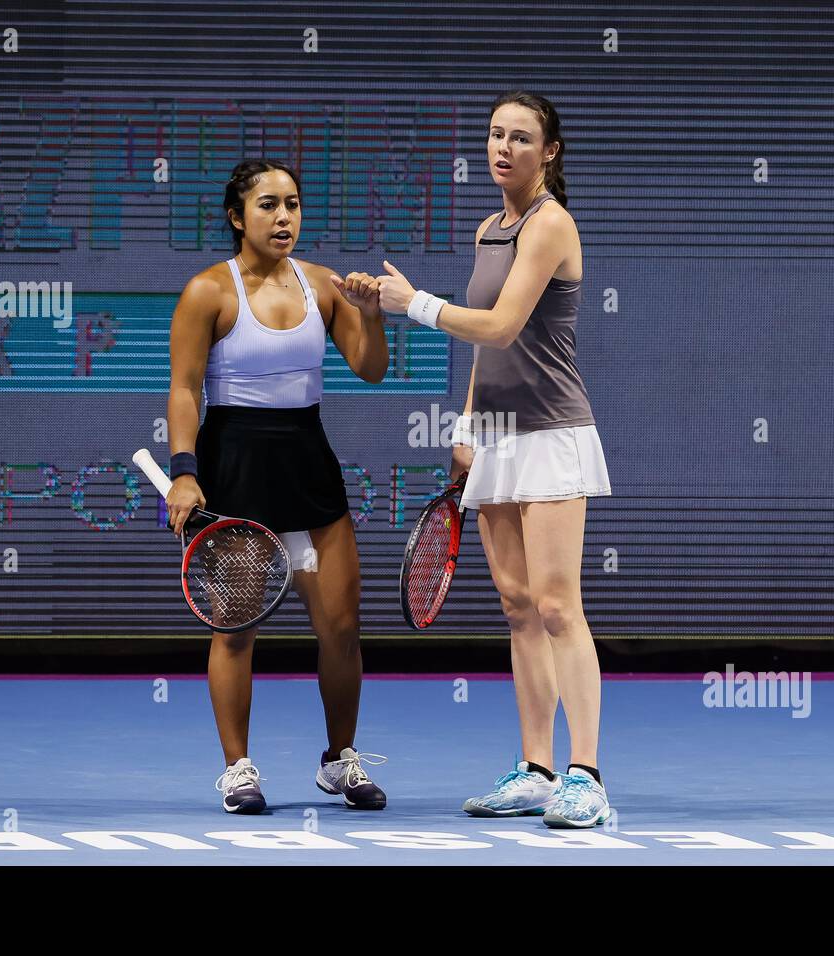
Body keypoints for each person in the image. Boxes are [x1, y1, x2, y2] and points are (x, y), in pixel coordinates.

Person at [377, 92, 612, 828]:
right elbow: (485, 349)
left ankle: (587, 776)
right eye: (494, 135)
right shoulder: (490, 228)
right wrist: (468, 423)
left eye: (521, 138)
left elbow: (505, 325)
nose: (503, 147)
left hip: (552, 437)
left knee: (555, 605)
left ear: (550, 153)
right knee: (516, 608)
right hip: (501, 438)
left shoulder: (551, 225)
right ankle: (537, 768)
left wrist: (413, 304)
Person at [165, 159, 391, 813]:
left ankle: (338, 762)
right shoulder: (208, 291)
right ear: (238, 216)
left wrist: (370, 314)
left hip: (308, 471)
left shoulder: (324, 286)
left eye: (292, 203)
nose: (284, 216)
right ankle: (238, 769)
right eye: (267, 205)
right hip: (236, 474)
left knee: (341, 626)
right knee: (235, 629)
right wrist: (185, 470)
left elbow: (371, 369)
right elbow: (183, 389)